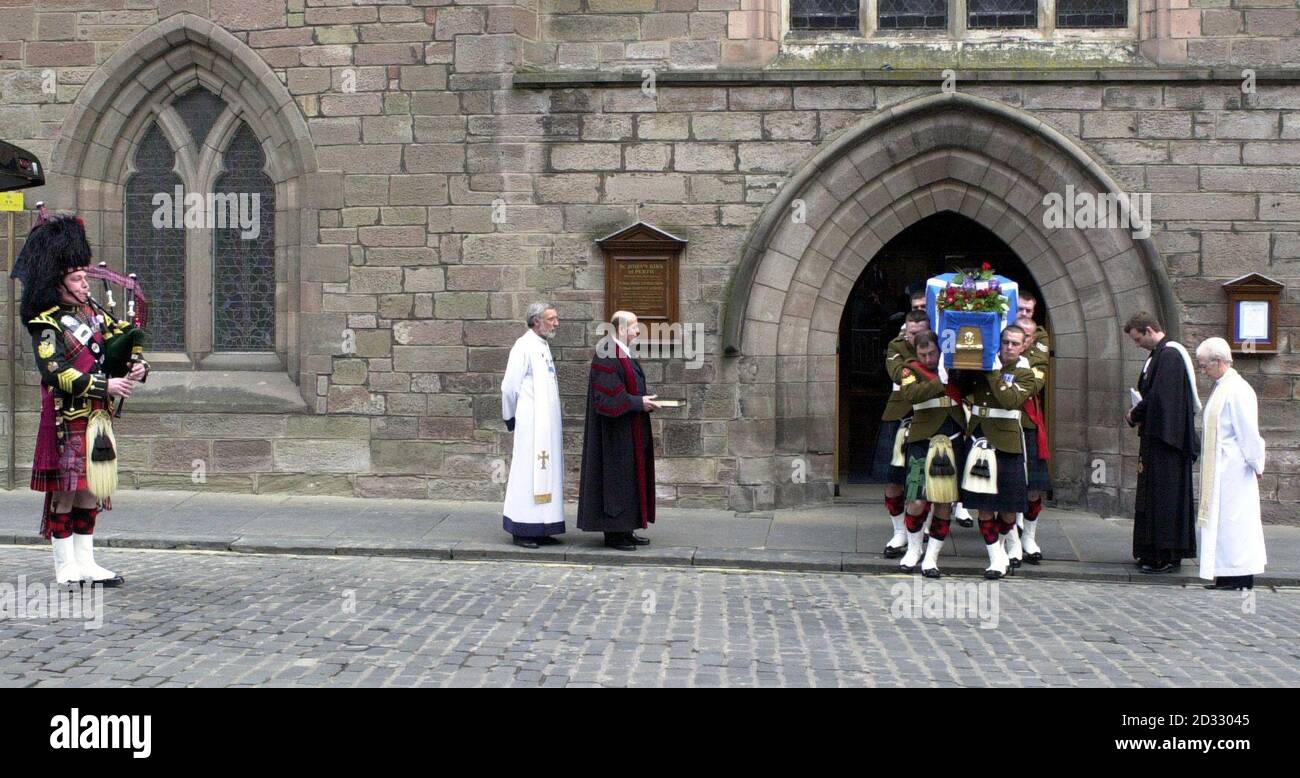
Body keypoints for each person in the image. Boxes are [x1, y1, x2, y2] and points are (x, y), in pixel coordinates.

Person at [10, 213, 145, 587]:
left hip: (98, 419)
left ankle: (86, 562)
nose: (86, 284)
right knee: (65, 493)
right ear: (59, 285)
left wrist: (136, 368)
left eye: (86, 277)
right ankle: (63, 565)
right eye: (78, 279)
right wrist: (106, 387)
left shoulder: (95, 316)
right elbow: (56, 373)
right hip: (66, 417)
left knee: (92, 489)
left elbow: (124, 347)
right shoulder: (46, 325)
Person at [956, 325, 1037, 580]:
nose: (1009, 347)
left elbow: (1010, 400)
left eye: (1015, 343)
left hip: (1007, 443)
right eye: (1005, 342)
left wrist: (992, 370)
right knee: (984, 506)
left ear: (1024, 346)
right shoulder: (985, 365)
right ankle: (994, 558)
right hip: (980, 437)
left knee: (1009, 508)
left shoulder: (1026, 374)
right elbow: (961, 387)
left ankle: (1002, 548)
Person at [577, 310, 660, 551]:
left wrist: (644, 400)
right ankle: (614, 534)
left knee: (630, 479)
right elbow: (607, 399)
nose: (637, 331)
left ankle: (627, 528)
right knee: (617, 481)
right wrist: (638, 403)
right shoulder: (606, 355)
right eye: (635, 327)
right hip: (613, 434)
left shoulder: (623, 353)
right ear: (621, 329)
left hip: (629, 428)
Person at [1125, 312, 1199, 574]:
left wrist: (1135, 413)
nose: (1137, 344)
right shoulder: (1158, 354)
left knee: (1165, 498)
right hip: (1155, 439)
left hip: (1168, 443)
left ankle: (1165, 553)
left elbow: (1160, 398)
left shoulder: (1169, 355)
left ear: (1147, 330)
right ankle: (1150, 550)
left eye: (1137, 339)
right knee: (1153, 497)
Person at [1194, 338, 1266, 590]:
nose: (1202, 371)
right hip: (1220, 469)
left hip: (1235, 469)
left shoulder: (1237, 389)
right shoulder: (1223, 386)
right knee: (1222, 524)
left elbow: (1248, 431)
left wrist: (1257, 463)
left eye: (1204, 366)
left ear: (1219, 361)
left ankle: (1240, 576)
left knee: (1235, 523)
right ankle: (1224, 574)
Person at [895, 331, 967, 578]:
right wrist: (939, 380)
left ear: (940, 350)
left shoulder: (953, 367)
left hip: (951, 441)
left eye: (932, 353)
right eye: (923, 354)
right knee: (916, 500)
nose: (927, 358)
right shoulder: (909, 370)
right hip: (921, 441)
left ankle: (932, 558)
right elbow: (912, 395)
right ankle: (914, 549)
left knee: (943, 501)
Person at [500, 303, 565, 548]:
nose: (556, 323)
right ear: (536, 321)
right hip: (530, 424)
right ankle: (523, 527)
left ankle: (544, 525)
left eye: (556, 318)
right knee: (527, 472)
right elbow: (509, 386)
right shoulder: (523, 346)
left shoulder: (542, 346)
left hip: (546, 426)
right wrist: (511, 417)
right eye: (551, 319)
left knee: (548, 471)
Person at [879, 309, 930, 557]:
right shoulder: (895, 346)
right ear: (905, 329)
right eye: (912, 333)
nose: (916, 339)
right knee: (892, 481)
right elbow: (898, 374)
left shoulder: (938, 345)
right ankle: (899, 532)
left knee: (918, 485)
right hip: (899, 415)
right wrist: (927, 371)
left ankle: (917, 537)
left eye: (921, 333)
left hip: (928, 418)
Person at [1010, 316, 1051, 565]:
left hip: (1028, 424)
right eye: (1018, 335)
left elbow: (1034, 385)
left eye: (1027, 337)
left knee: (1034, 488)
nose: (1021, 341)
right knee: (1010, 488)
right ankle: (1012, 540)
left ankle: (1029, 537)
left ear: (1031, 341)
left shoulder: (1033, 363)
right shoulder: (1000, 361)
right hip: (1004, 427)